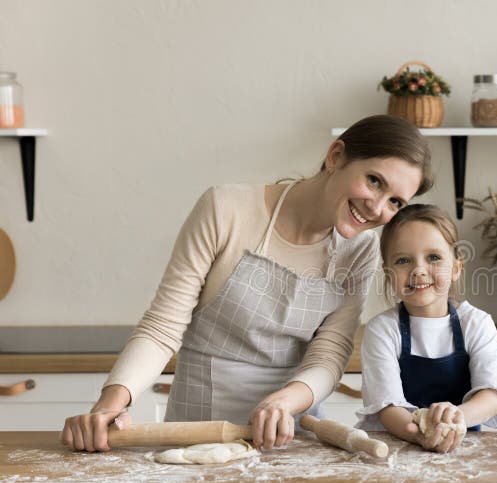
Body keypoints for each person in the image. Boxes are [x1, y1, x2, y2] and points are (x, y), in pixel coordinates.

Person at [61, 115, 433, 453]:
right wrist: (113, 401)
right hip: (197, 433)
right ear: (336, 156)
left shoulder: (361, 251)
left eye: (395, 202)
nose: (376, 208)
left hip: (289, 438)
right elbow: (163, 327)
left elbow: (331, 351)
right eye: (373, 181)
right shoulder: (226, 210)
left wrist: (285, 402)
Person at [356, 204, 497, 453]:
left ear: (456, 269)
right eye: (403, 260)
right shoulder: (383, 330)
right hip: (396, 452)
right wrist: (421, 434)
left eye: (434, 258)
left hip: (462, 454)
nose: (418, 270)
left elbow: (491, 396)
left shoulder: (476, 324)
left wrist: (456, 417)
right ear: (388, 274)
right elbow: (387, 408)